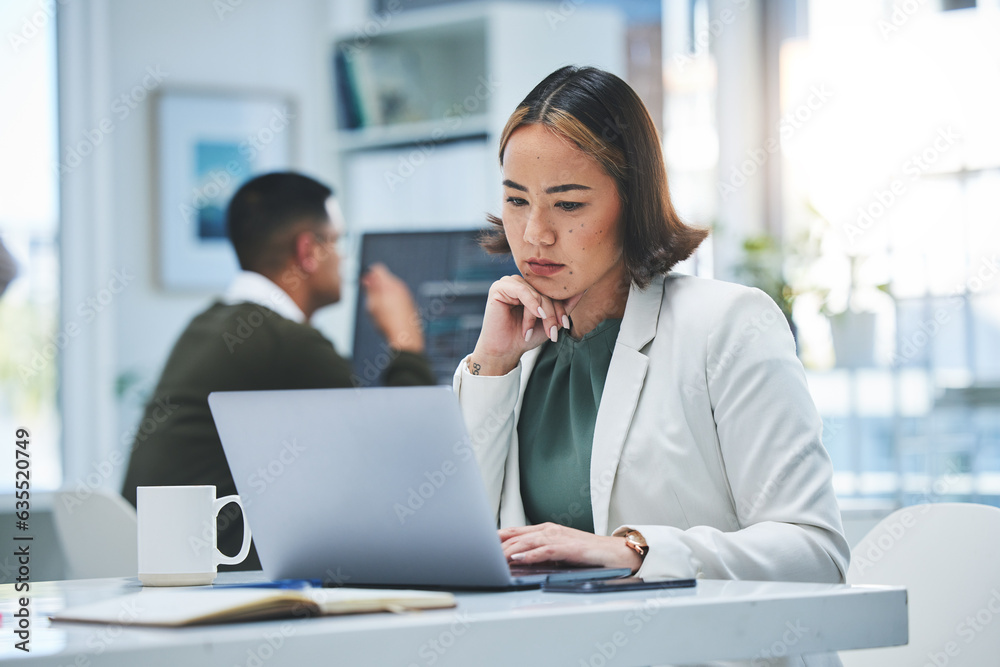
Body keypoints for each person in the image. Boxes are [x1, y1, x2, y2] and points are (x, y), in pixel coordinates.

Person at [454, 66, 849, 587]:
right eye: (516, 200)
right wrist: (493, 367)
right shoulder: (511, 354)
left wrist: (635, 552)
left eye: (568, 204)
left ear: (632, 202)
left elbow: (816, 553)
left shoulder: (727, 326)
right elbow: (460, 548)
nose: (535, 234)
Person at [122, 172, 434, 570]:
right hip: (216, 570)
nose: (342, 259)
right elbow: (404, 451)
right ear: (308, 251)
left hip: (160, 561)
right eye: (336, 242)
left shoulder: (209, 323)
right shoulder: (287, 343)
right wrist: (405, 338)